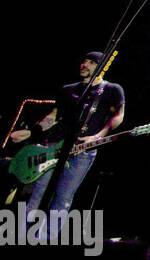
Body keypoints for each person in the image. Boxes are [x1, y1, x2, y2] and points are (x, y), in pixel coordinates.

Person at [7, 51, 125, 230]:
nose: (84, 65)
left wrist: (98, 135)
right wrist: (32, 132)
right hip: (54, 146)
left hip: (83, 151)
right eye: (83, 61)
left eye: (91, 62)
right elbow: (53, 116)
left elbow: (118, 115)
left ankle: (46, 238)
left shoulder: (112, 89)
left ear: (102, 67)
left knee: (63, 197)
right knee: (39, 191)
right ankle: (22, 232)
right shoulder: (68, 89)